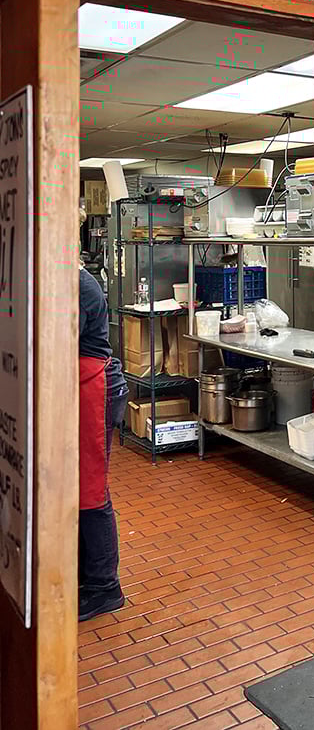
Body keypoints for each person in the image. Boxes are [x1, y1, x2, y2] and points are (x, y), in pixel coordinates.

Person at [79, 223, 129, 621]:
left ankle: (104, 588)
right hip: (79, 389)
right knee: (75, 487)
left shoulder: (78, 286)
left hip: (94, 390)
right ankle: (85, 574)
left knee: (91, 489)